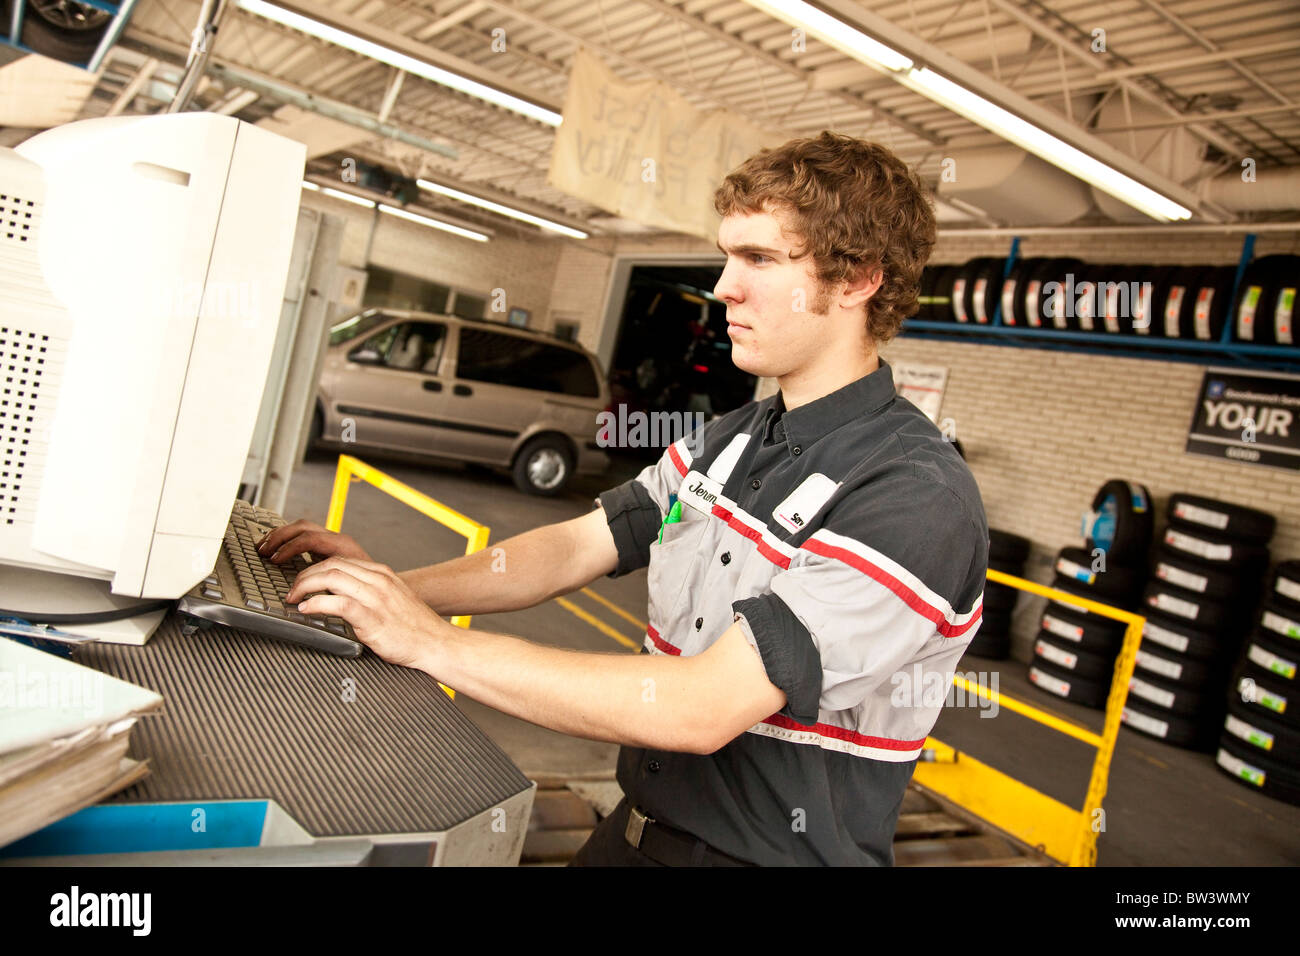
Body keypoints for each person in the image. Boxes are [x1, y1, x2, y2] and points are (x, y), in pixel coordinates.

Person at [257, 131, 988, 866]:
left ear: (858, 279)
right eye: (729, 255)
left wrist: (429, 642)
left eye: (760, 259)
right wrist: (394, 593)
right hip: (636, 833)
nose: (724, 286)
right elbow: (579, 542)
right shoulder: (729, 439)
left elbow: (703, 706)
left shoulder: (914, 494)